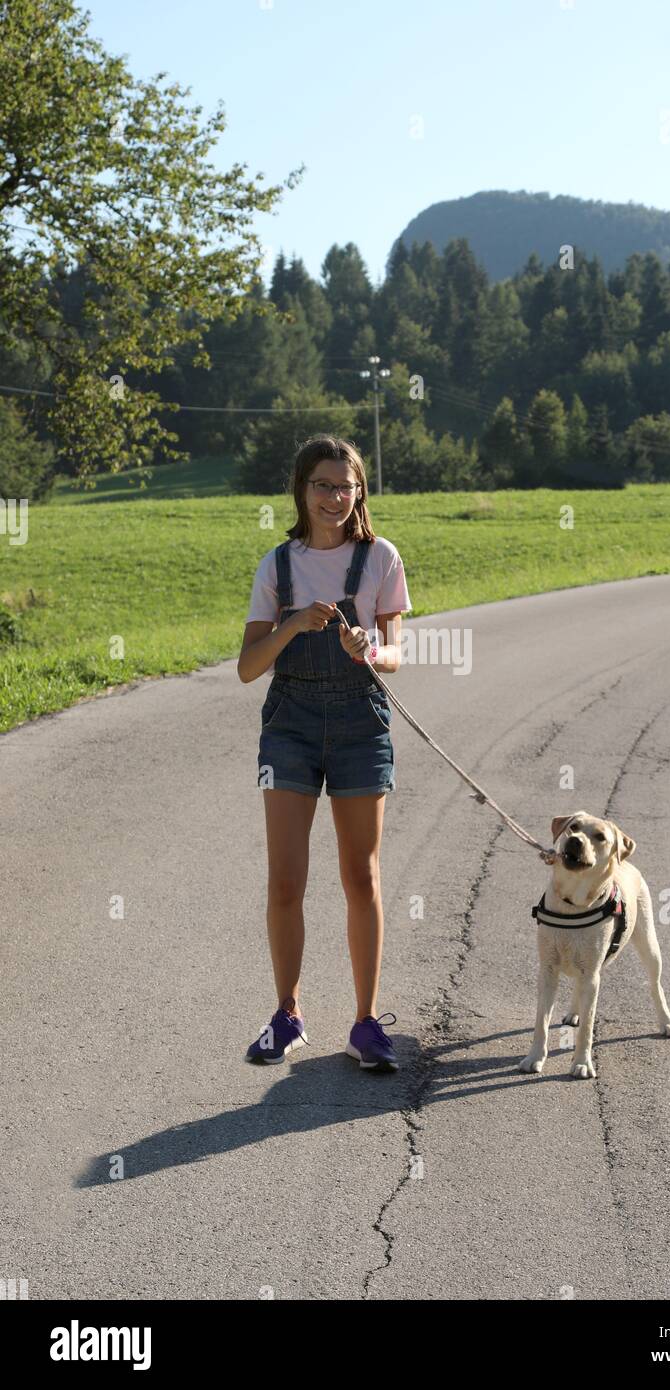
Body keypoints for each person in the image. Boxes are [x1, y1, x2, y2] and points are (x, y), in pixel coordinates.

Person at [238, 435, 411, 1072]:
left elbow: (397, 653)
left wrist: (369, 646)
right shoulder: (276, 565)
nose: (334, 497)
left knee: (360, 876)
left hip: (361, 721)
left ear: (359, 492)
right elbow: (248, 668)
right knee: (286, 880)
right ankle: (288, 1014)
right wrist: (291, 625)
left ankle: (365, 1024)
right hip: (289, 722)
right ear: (301, 489)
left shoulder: (380, 559)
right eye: (322, 484)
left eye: (345, 486)